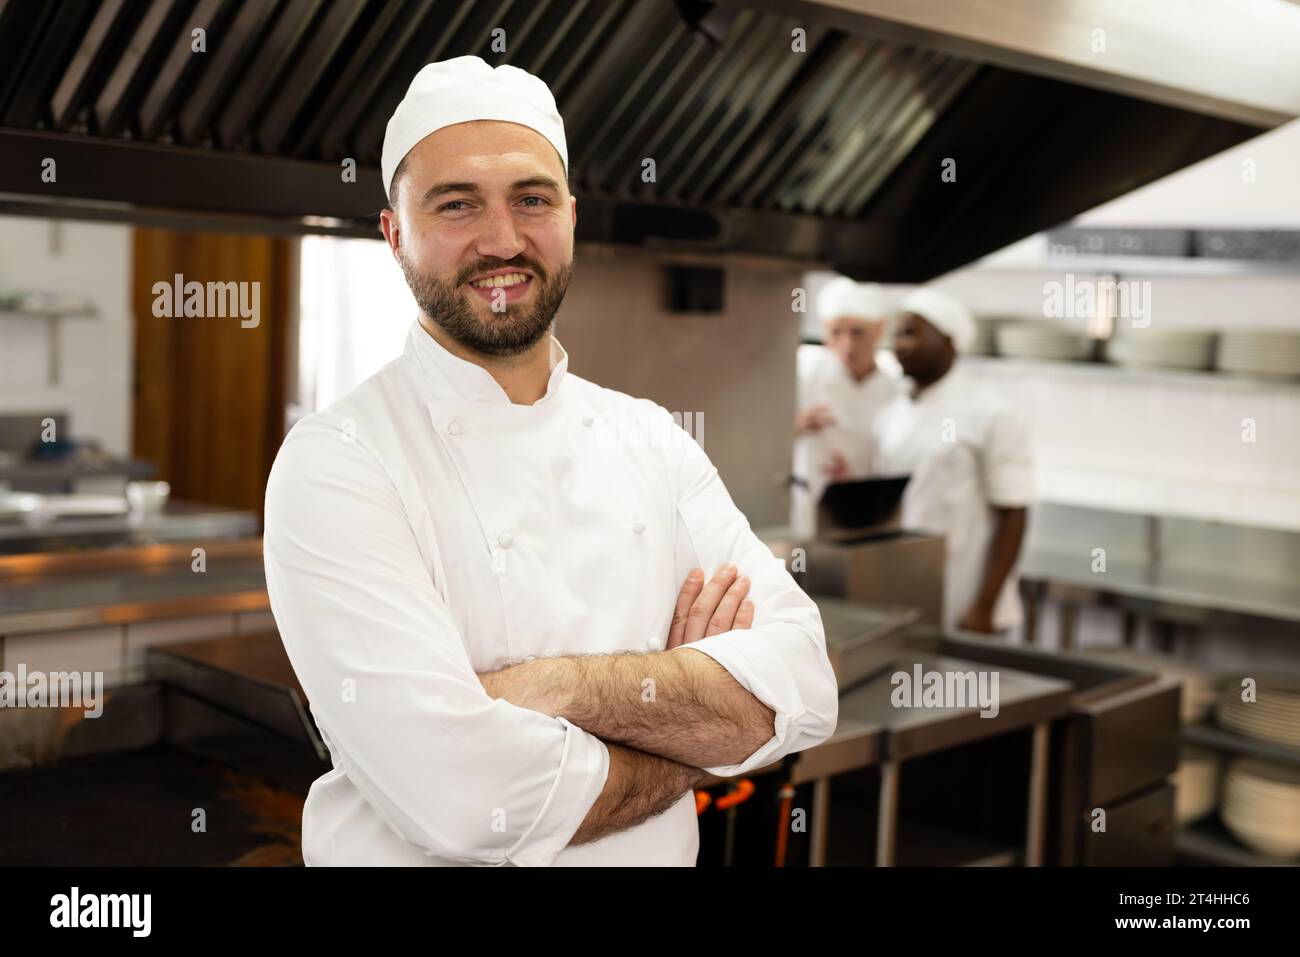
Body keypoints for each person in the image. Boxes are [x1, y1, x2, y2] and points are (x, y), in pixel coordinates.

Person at [262, 56, 837, 867]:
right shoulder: (340, 462)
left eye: (531, 199)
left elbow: (805, 688)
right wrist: (696, 732)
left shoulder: (650, 439)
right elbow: (464, 801)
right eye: (457, 204)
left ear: (570, 215)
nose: (503, 240)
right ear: (395, 236)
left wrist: (549, 687)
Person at [872, 288, 1032, 635]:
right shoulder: (893, 411)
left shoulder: (989, 411)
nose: (898, 344)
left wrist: (984, 606)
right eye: (897, 334)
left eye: (911, 333)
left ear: (949, 341)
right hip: (905, 595)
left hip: (967, 600)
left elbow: (1014, 513)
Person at [790, 277, 897, 537]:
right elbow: (756, 436)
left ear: (879, 329)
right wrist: (796, 425)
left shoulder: (893, 388)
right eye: (836, 332)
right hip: (805, 501)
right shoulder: (805, 373)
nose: (847, 345)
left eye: (858, 332)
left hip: (865, 509)